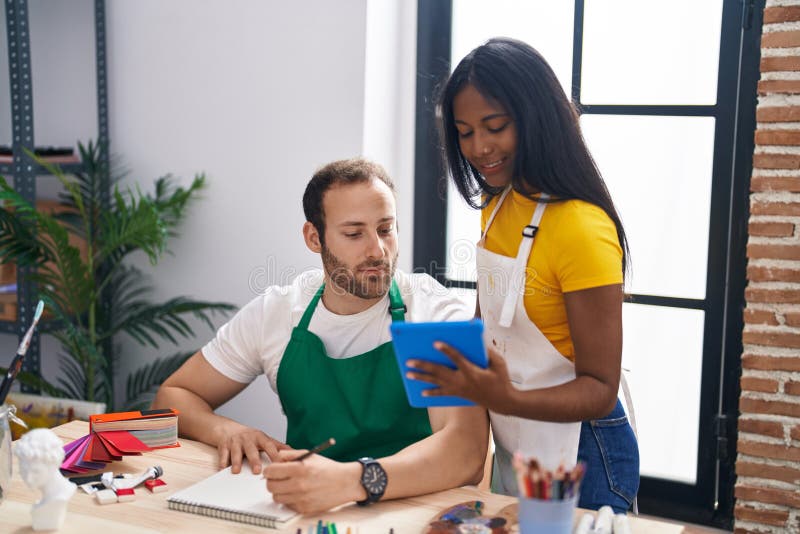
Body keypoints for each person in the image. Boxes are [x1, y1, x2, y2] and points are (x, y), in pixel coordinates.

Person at [153, 158, 488, 514]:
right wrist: (226, 431)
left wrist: (352, 481)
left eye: (386, 229)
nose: (377, 250)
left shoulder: (433, 311)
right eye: (354, 234)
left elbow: (466, 452)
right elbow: (173, 395)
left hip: (415, 513)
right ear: (314, 238)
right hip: (307, 513)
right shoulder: (277, 313)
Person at [405, 37, 639, 513]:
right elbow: (488, 325)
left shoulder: (581, 228)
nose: (479, 147)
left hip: (585, 451)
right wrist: (448, 362)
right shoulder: (496, 205)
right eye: (465, 132)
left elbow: (599, 389)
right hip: (518, 440)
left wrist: (506, 396)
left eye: (496, 127)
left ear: (536, 118)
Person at [15, 428, 77, 531]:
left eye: (36, 471)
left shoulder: (59, 499)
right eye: (23, 471)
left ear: (54, 464)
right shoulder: (54, 495)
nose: (29, 479)